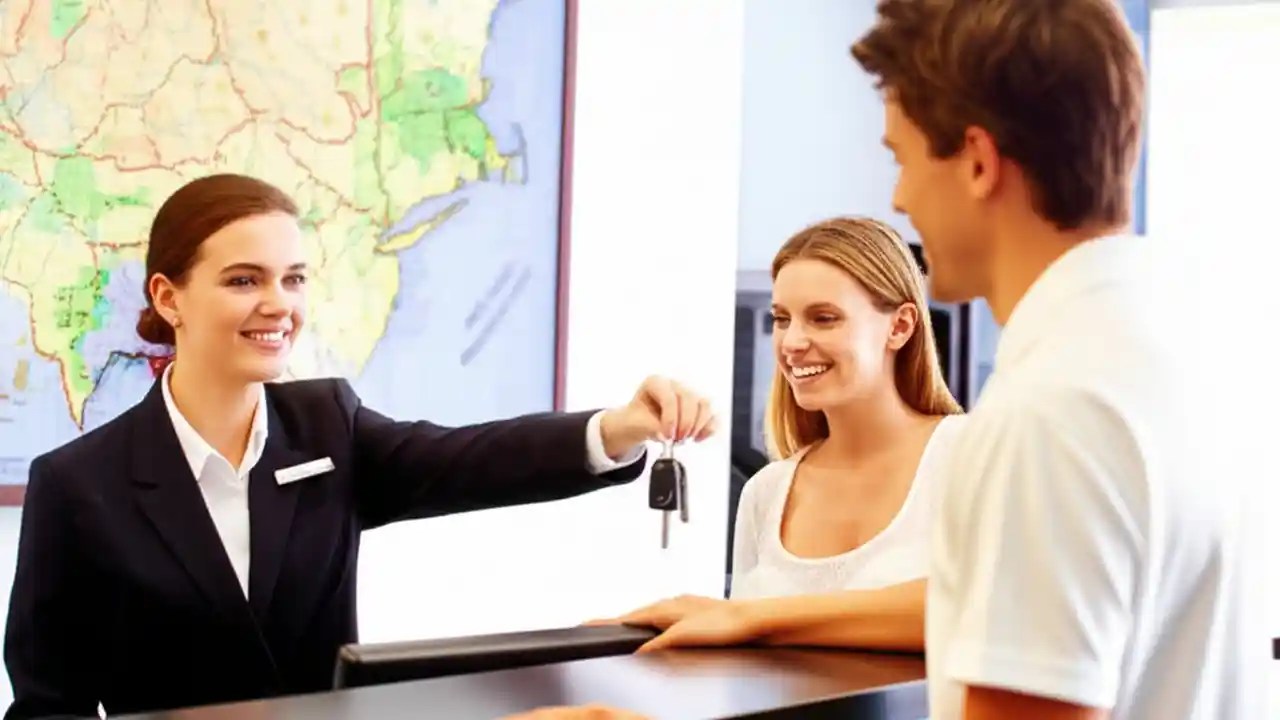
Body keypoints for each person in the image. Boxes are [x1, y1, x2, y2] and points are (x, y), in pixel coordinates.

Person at [2, 173, 718, 719]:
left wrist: (620, 428)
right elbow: (46, 706)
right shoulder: (79, 483)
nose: (278, 303)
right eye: (244, 280)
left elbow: (468, 459)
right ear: (168, 297)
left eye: (294, 278)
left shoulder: (328, 426)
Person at [851, 1, 1261, 718]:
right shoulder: (1188, 352)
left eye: (902, 160)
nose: (898, 198)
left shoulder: (1051, 415)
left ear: (978, 162)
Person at [596, 217, 965, 654]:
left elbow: (983, 612)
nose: (792, 342)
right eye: (782, 319)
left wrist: (743, 617)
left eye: (824, 318)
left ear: (900, 326)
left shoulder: (970, 454)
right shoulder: (767, 493)